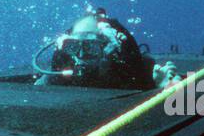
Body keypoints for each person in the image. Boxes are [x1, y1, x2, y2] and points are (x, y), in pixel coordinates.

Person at [33, 7, 178, 90]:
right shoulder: (57, 74)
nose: (81, 54)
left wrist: (158, 86)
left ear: (108, 48)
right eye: (73, 46)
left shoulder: (134, 71)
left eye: (91, 47)